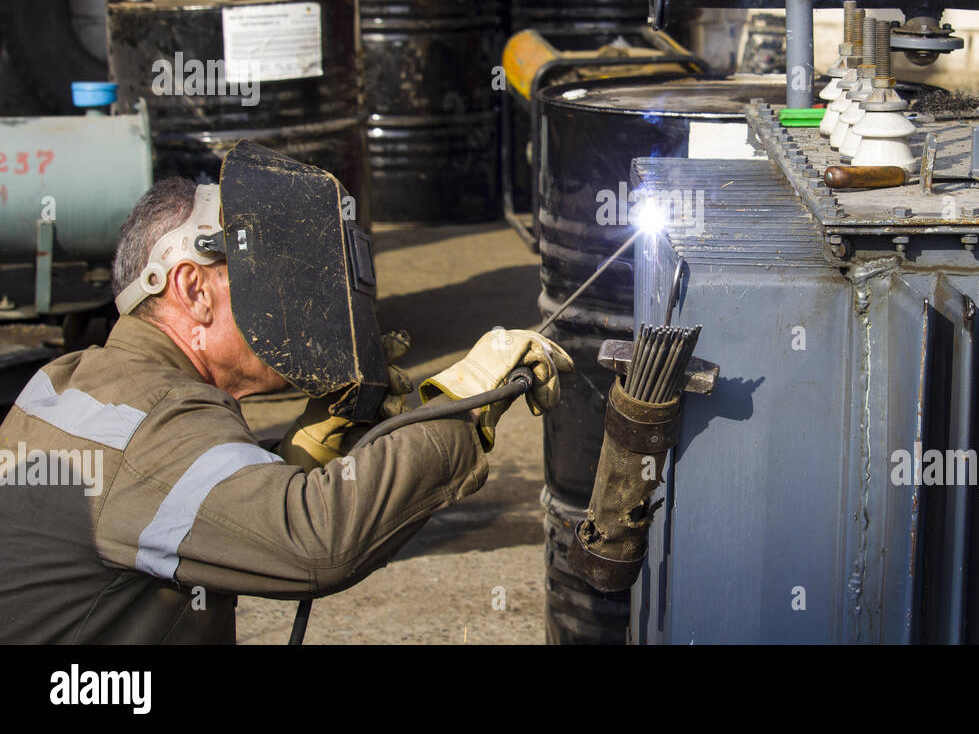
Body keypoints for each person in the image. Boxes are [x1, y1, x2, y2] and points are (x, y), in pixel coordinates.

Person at [0, 142, 570, 643]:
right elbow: (314, 541)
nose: (289, 300)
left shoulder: (77, 378)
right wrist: (459, 406)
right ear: (193, 289)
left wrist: (297, 456)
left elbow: (167, 501)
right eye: (258, 275)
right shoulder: (154, 424)